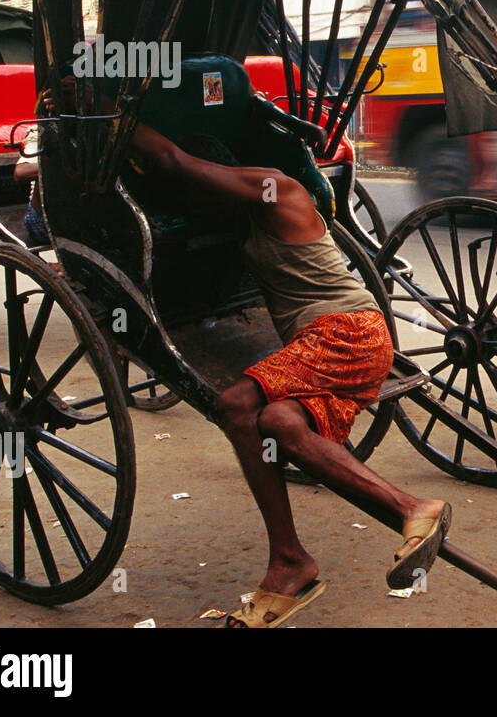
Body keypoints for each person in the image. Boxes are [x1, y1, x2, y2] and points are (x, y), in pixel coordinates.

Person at [127, 123, 451, 628]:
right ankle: (406, 511)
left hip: (346, 334)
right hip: (341, 341)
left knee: (236, 405)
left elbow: (171, 159)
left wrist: (112, 115)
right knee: (279, 421)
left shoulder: (277, 189)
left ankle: (286, 558)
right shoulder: (247, 221)